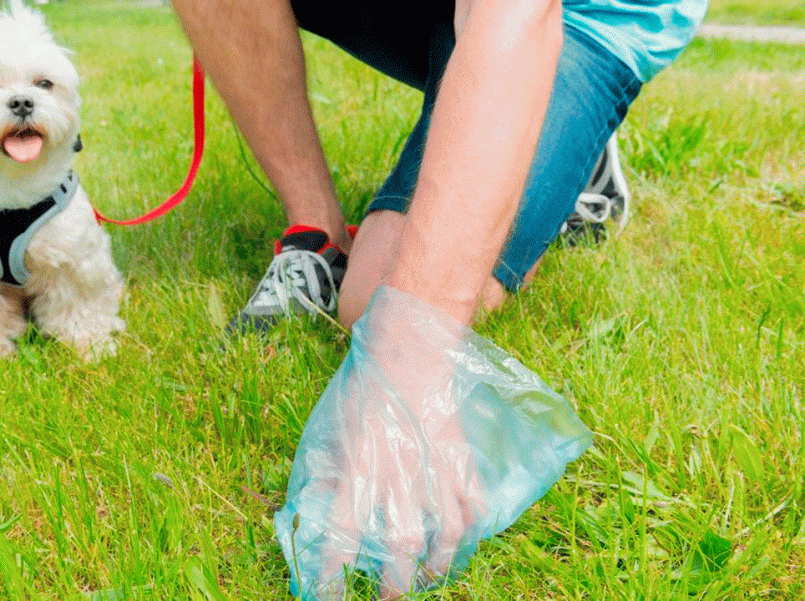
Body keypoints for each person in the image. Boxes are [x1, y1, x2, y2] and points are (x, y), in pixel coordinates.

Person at [171, 0, 707, 595]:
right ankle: (315, 231)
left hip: (569, 13)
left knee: (373, 301)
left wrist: (408, 356)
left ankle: (562, 136)